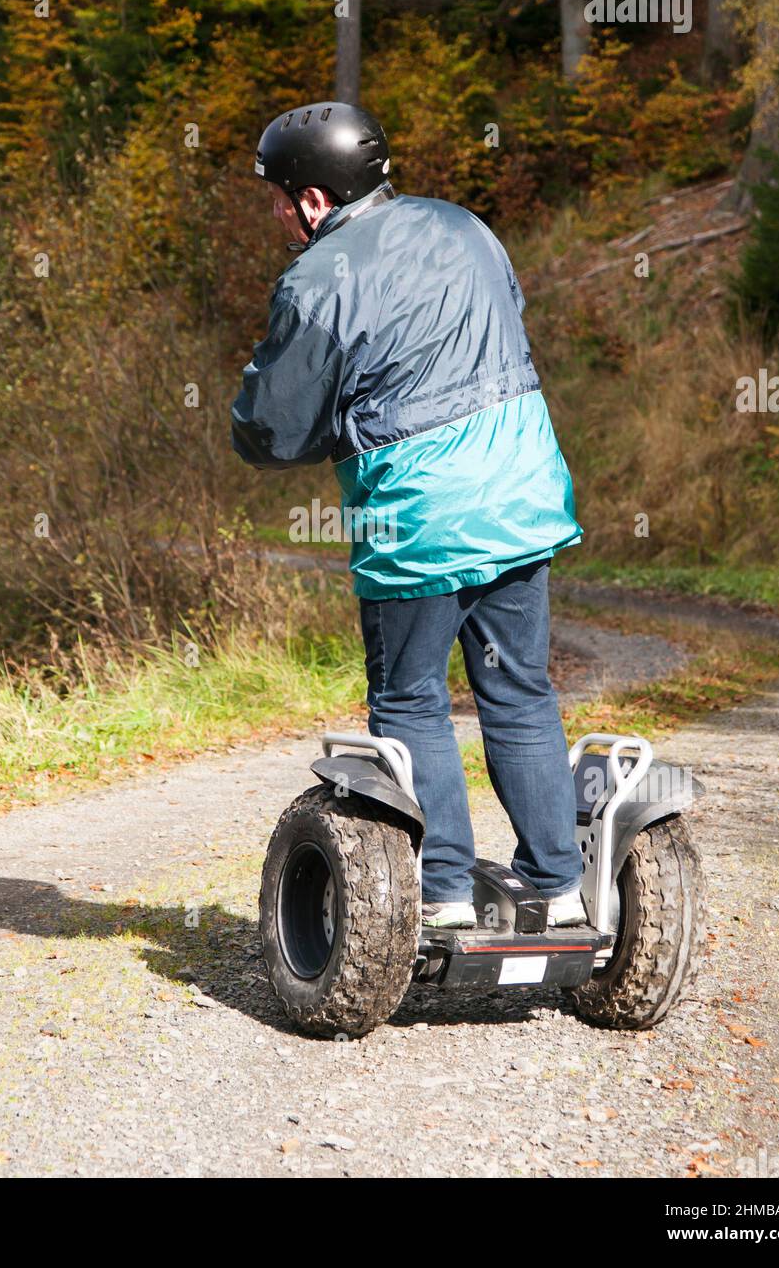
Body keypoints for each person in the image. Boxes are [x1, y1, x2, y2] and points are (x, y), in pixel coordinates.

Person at [232, 101, 587, 928]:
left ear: (313, 200)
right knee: (518, 689)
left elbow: (276, 428)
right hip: (523, 487)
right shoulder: (467, 227)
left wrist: (277, 423)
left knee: (410, 699)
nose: (276, 213)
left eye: (278, 196)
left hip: (420, 515)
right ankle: (560, 888)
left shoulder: (318, 279)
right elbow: (503, 326)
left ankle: (447, 895)